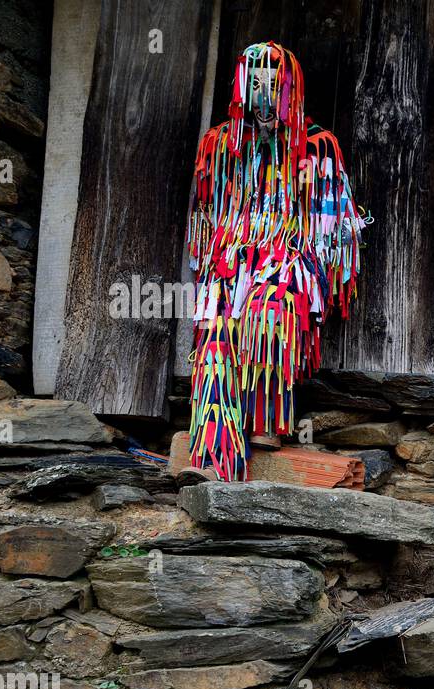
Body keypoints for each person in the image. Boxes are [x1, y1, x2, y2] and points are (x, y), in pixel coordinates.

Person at [184, 42, 366, 482]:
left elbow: (338, 224)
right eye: (256, 85)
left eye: (273, 86)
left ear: (288, 91)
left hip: (289, 264)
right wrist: (214, 261)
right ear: (243, 89)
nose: (264, 98)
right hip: (229, 265)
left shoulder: (317, 149)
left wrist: (316, 267)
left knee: (271, 311)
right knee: (215, 338)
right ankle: (212, 457)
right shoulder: (219, 147)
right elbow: (204, 217)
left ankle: (265, 422)